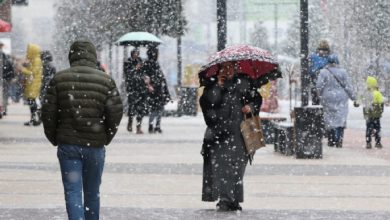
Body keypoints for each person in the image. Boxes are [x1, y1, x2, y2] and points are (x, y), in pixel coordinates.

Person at [41, 39, 123, 220]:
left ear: (71, 55)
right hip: (95, 145)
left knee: (73, 192)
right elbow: (116, 112)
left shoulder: (59, 79)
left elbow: (48, 112)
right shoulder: (106, 80)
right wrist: (105, 136)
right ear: (93, 56)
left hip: (68, 145)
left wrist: (55, 136)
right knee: (92, 193)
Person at [200, 62, 262, 211]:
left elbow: (257, 99)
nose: (227, 70)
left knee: (238, 168)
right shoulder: (212, 86)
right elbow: (207, 105)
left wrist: (250, 107)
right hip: (219, 135)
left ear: (236, 68)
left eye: (230, 67)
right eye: (224, 67)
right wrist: (218, 87)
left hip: (241, 134)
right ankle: (225, 199)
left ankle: (233, 199)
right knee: (222, 167)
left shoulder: (245, 83)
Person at [316, 54, 357, 148]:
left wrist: (320, 96)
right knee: (340, 118)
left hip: (327, 97)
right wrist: (353, 97)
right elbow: (348, 86)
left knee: (329, 118)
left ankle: (331, 139)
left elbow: (319, 86)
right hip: (341, 97)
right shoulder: (343, 72)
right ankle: (339, 139)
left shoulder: (323, 72)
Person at [142, 46, 170, 133]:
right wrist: (150, 85)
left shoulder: (150, 63)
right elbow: (148, 76)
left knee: (155, 108)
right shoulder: (151, 63)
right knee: (157, 108)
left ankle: (154, 125)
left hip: (155, 89)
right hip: (155, 89)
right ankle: (155, 126)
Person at [17, 43, 43, 126]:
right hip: (31, 84)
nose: (27, 52)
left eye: (28, 50)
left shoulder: (36, 60)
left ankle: (35, 119)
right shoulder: (33, 60)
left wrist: (22, 69)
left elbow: (33, 72)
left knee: (32, 103)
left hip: (33, 85)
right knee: (31, 102)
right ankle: (33, 119)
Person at [124, 48, 149, 134]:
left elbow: (143, 73)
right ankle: (130, 123)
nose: (136, 55)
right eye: (134, 53)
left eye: (137, 53)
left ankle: (138, 127)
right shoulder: (127, 62)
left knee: (140, 109)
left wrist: (145, 77)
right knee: (132, 107)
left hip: (141, 89)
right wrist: (135, 68)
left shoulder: (141, 62)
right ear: (132, 54)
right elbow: (128, 75)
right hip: (132, 89)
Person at [362, 76, 384, 149]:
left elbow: (360, 101)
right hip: (376, 115)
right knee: (377, 128)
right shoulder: (377, 93)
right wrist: (381, 110)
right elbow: (381, 102)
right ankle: (378, 142)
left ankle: (368, 142)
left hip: (368, 115)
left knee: (368, 128)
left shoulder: (366, 93)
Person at [308, 39, 331, 105]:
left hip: (315, 77)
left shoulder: (313, 55)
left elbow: (309, 68)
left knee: (315, 96)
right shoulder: (330, 56)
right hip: (326, 78)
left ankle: (316, 109)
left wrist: (312, 73)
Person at [1, 42, 15, 116]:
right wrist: (11, 78)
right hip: (6, 80)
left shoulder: (5, 61)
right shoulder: (8, 61)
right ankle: (4, 109)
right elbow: (12, 71)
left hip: (3, 80)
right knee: (5, 95)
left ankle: (2, 108)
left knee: (3, 95)